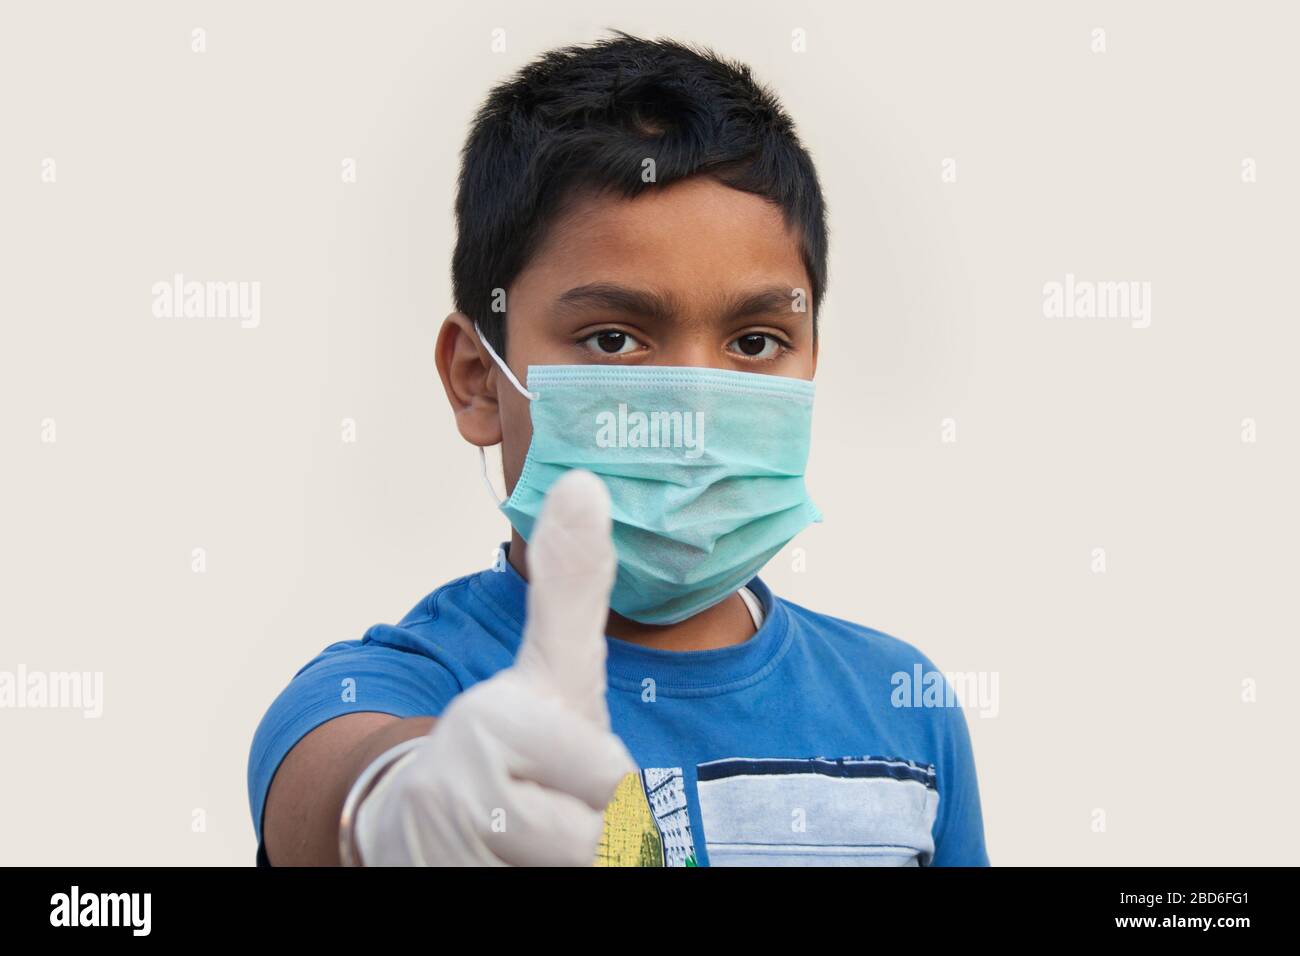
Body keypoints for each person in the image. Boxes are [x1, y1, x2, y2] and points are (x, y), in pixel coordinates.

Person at [248, 32, 990, 867]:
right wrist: (406, 809)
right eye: (612, 339)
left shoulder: (904, 709)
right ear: (476, 380)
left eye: (755, 341)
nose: (692, 410)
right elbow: (342, 784)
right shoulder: (391, 687)